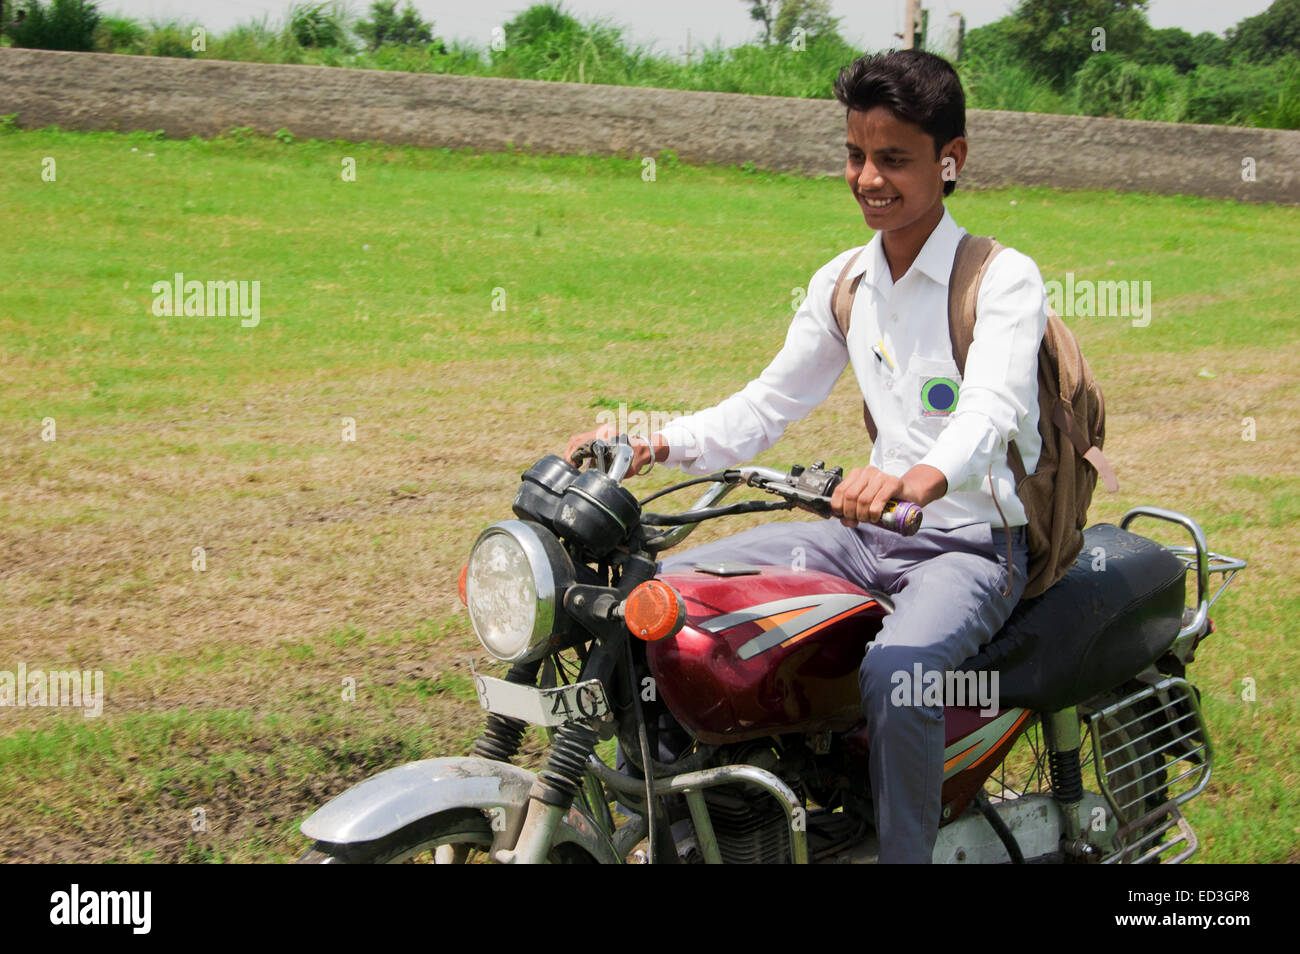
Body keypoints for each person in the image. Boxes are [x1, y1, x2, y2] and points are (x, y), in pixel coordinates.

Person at [565, 49, 1050, 863]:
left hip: (971, 544)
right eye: (856, 155)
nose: (868, 178)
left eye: (893, 159)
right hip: (861, 535)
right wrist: (650, 438)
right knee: (667, 600)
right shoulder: (845, 282)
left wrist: (915, 478)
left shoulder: (1001, 279)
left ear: (951, 160)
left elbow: (991, 410)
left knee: (899, 676)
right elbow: (764, 406)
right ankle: (692, 824)